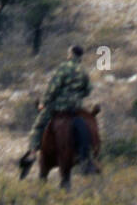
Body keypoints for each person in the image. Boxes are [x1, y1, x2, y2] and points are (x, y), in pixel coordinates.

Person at [20, 45, 95, 174]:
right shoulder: (83, 71)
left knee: (38, 126)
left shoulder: (63, 68)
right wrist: (77, 96)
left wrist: (44, 103)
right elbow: (88, 90)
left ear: (71, 54)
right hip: (76, 108)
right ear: (80, 56)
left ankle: (32, 153)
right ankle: (86, 156)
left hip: (59, 107)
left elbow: (52, 88)